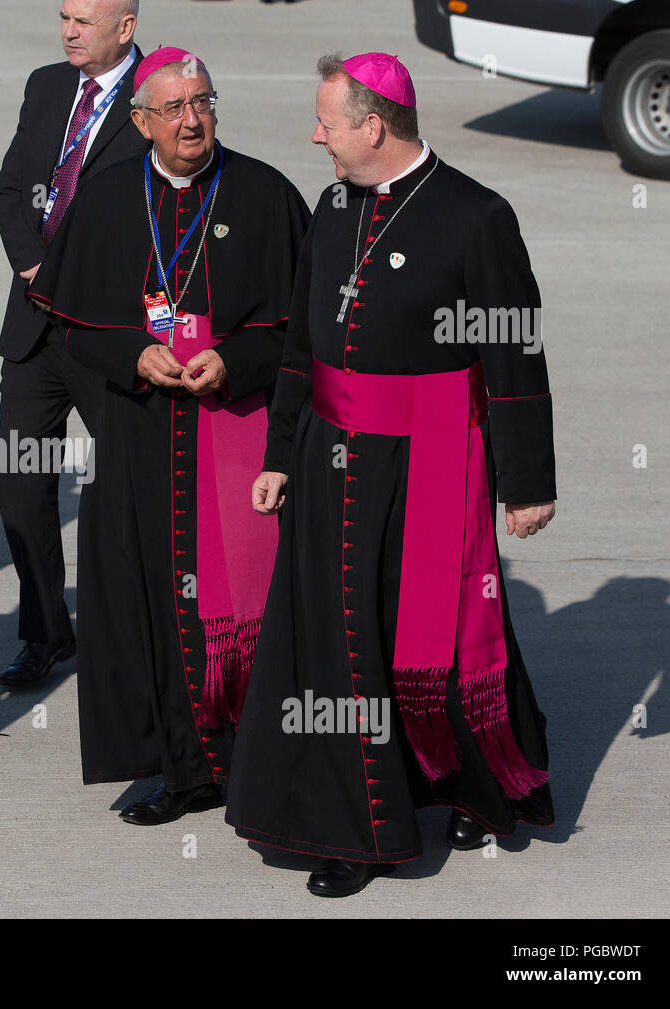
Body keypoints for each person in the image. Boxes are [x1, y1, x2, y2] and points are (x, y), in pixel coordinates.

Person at [225, 53, 557, 896]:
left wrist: (528, 483)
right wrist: (278, 456)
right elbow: (304, 345)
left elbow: (513, 356)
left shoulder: (477, 216)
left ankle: (469, 784)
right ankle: (352, 827)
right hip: (328, 458)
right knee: (338, 647)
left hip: (429, 458)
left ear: (373, 126)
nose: (315, 135)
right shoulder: (334, 206)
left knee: (434, 642)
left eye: (327, 122)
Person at [27, 48, 309, 824]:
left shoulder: (263, 193)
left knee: (250, 602)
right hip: (142, 432)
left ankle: (256, 757)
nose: (192, 119)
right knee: (151, 598)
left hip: (238, 428)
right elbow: (75, 326)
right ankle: (178, 767)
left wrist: (236, 357)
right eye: (175, 108)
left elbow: (301, 328)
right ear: (141, 121)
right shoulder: (111, 196)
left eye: (203, 102)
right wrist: (133, 351)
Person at [0, 0, 147, 686]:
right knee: (20, 486)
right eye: (65, 17)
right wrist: (33, 267)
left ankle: (131, 634)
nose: (69, 31)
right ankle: (48, 630)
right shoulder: (48, 86)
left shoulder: (158, 99)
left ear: (126, 27)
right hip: (34, 323)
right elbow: (9, 189)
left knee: (120, 491)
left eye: (85, 20)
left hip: (109, 334)